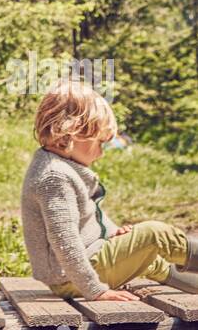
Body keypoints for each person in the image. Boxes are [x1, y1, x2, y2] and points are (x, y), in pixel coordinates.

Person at [21, 78, 198, 302]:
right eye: (99, 143)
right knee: (156, 234)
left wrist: (112, 232)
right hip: (74, 278)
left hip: (77, 271)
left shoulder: (59, 166)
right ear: (70, 134)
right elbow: (65, 242)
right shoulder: (54, 177)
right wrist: (95, 289)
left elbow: (88, 213)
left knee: (152, 259)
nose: (101, 153)